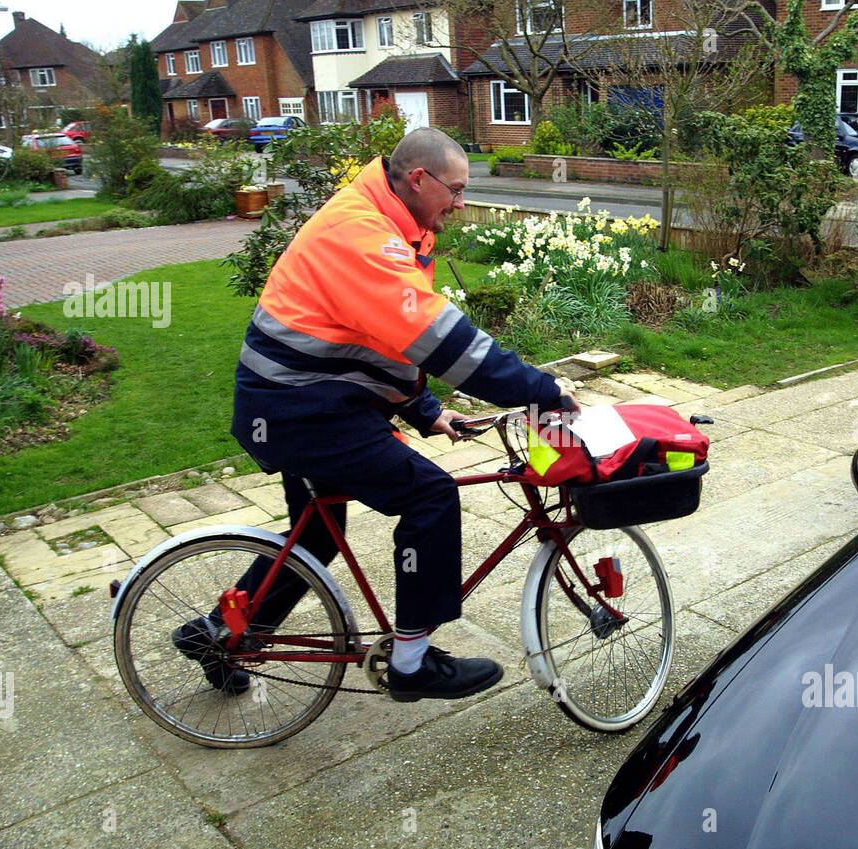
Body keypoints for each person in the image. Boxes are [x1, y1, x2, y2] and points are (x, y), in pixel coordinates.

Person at [171, 128, 574, 702]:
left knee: (317, 533)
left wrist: (423, 409)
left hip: (299, 400)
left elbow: (386, 336)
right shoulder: (363, 235)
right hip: (303, 408)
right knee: (429, 496)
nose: (459, 205)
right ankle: (410, 664)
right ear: (418, 179)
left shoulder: (391, 220)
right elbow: (441, 339)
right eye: (455, 191)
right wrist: (541, 391)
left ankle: (216, 633)